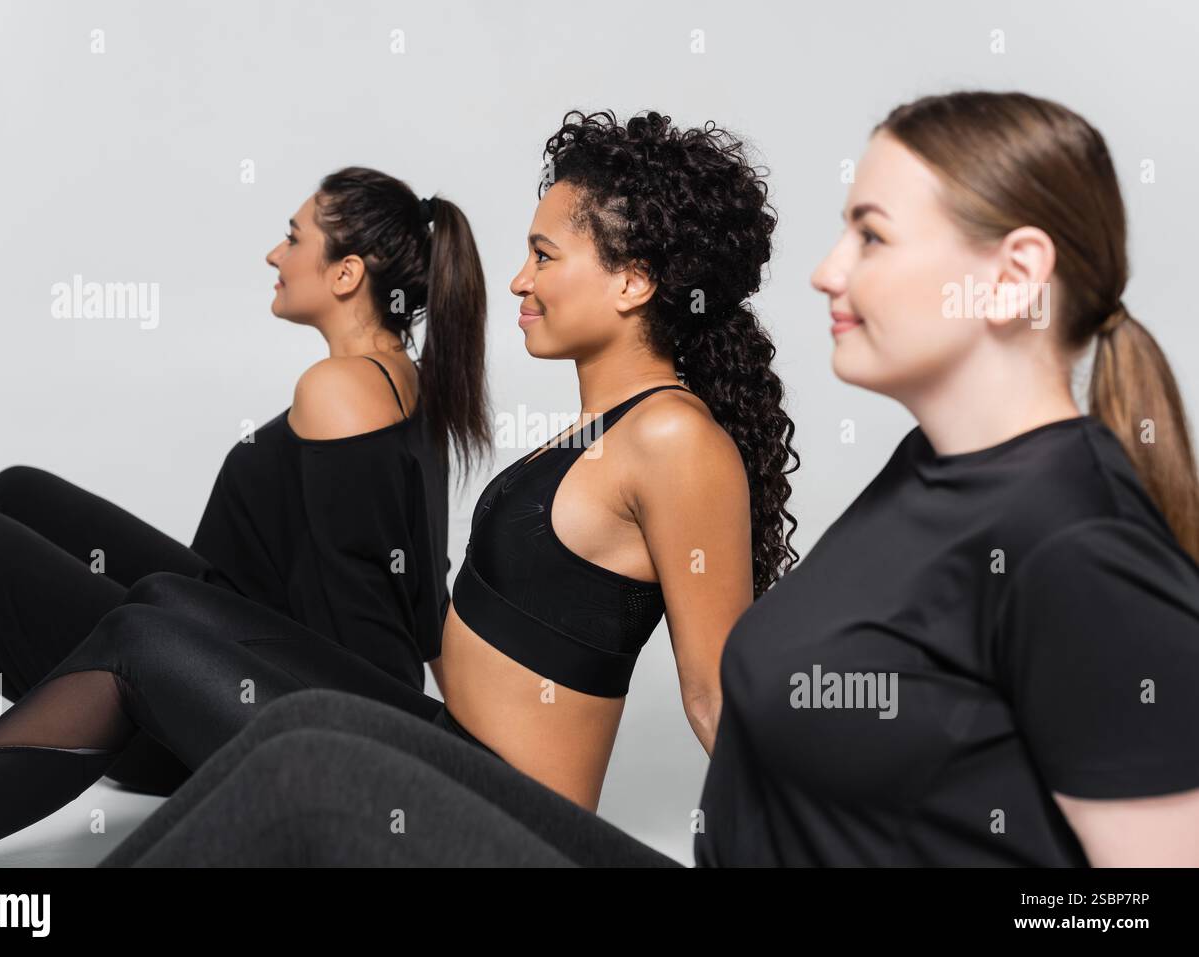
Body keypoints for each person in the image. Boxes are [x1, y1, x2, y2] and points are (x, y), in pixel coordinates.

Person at [102, 91, 1199, 869]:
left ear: (1011, 277)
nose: (824, 270)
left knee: (307, 769)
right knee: (291, 735)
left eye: (869, 235)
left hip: (541, 811)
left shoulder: (1078, 545)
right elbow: (742, 705)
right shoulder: (925, 479)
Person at [0, 107, 802, 866]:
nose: (520, 280)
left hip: (507, 814)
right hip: (438, 740)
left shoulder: (675, 437)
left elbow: (713, 695)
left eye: (545, 255)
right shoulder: (599, 429)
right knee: (164, 603)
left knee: (143, 635)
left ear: (634, 282)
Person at [0, 168, 489, 866]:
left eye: (294, 237)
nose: (275, 254)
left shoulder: (336, 392)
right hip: (245, 640)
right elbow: (421, 601)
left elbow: (355, 626)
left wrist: (440, 773)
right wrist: (477, 746)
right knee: (14, 493)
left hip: (205, 710)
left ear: (347, 273)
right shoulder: (402, 378)